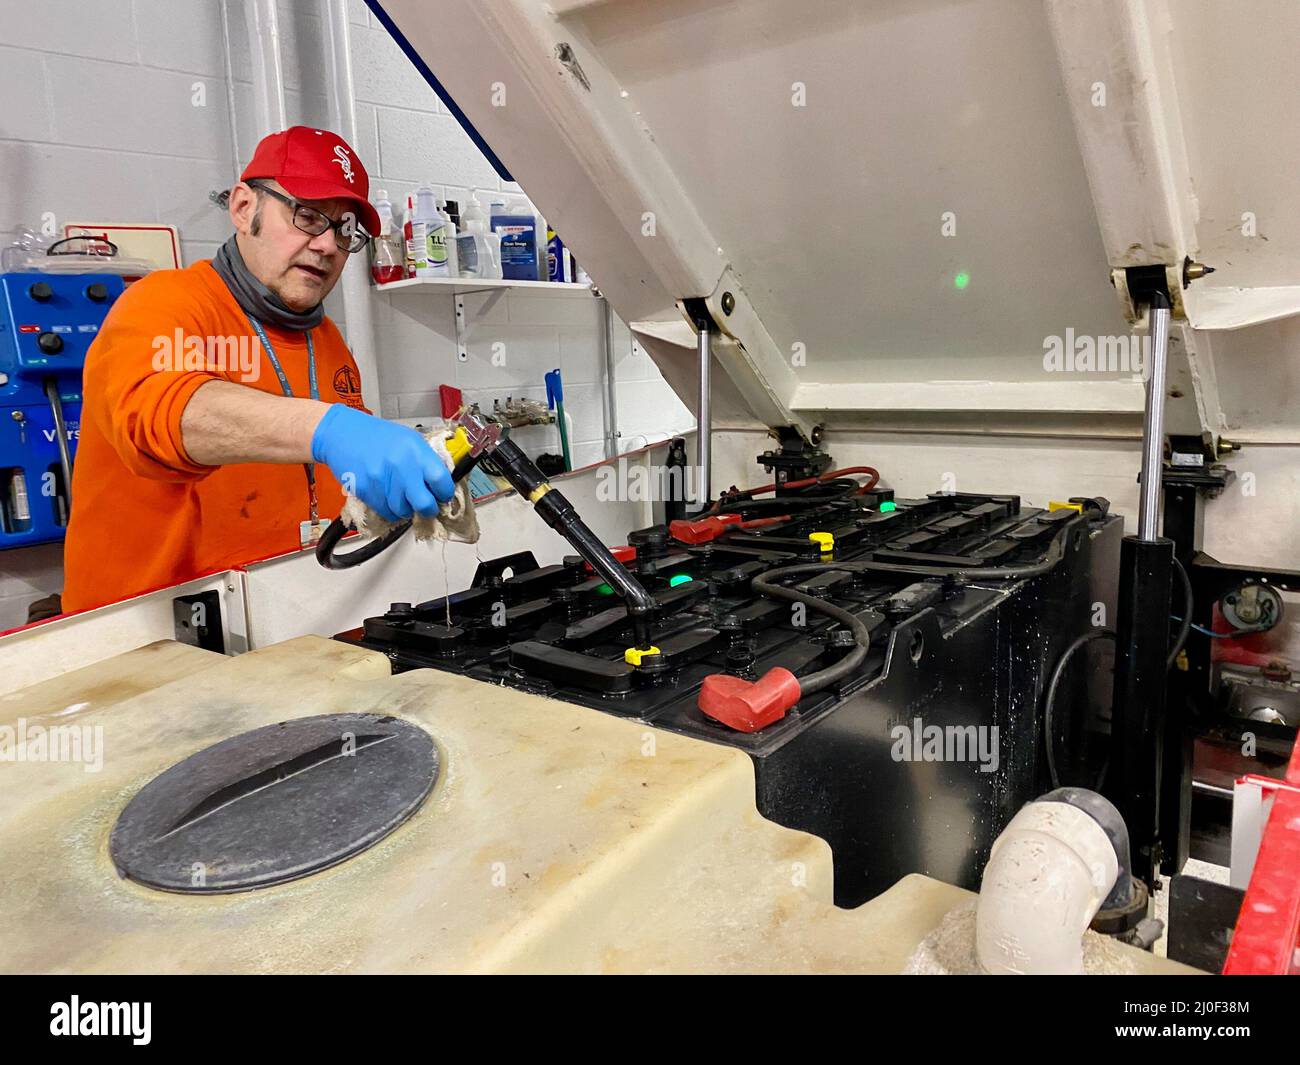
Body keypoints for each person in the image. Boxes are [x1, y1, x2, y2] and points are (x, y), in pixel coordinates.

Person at [61, 126, 453, 613]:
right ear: (245, 208)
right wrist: (329, 429)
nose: (328, 245)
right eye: (308, 215)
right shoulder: (164, 303)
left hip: (281, 616)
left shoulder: (324, 338)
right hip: (151, 631)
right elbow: (163, 417)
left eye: (344, 230)